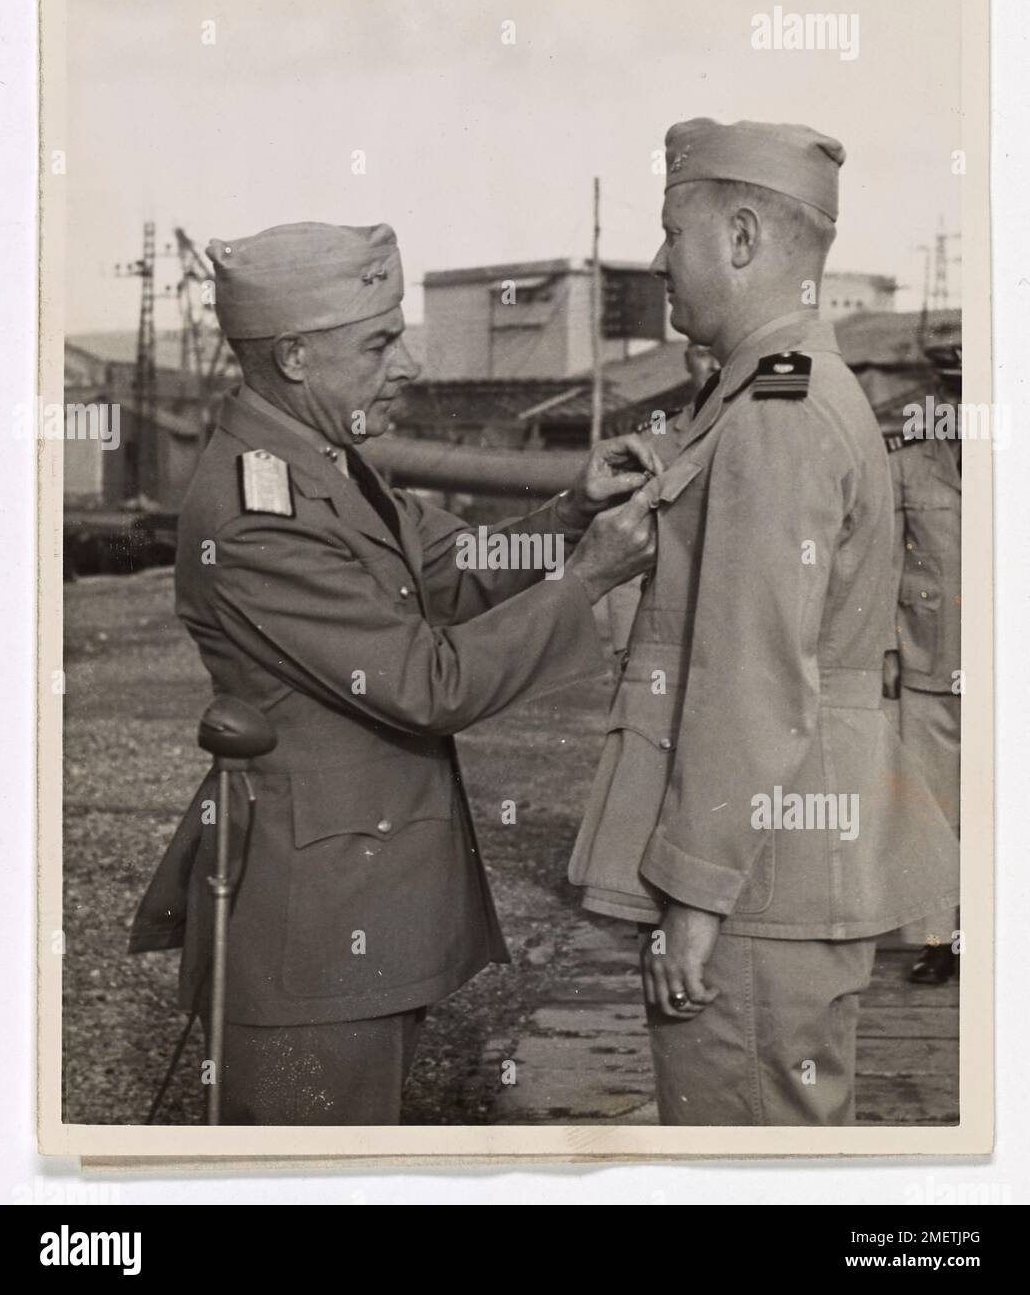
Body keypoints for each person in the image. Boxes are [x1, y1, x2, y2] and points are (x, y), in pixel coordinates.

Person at [129, 220, 659, 1124]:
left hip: (357, 895)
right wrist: (590, 580)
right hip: (315, 925)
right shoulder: (259, 511)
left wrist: (572, 513)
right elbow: (428, 683)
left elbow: (450, 575)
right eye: (378, 342)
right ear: (295, 356)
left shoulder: (325, 463)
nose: (405, 363)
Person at [569, 119, 960, 1125]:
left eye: (672, 233)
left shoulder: (773, 413)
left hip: (749, 889)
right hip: (787, 866)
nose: (658, 260)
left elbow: (753, 674)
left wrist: (694, 898)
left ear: (740, 238)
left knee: (741, 1155)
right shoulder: (779, 390)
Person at [862, 366, 962, 984]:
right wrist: (885, 647)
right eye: (953, 391)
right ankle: (938, 940)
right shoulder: (906, 466)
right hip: (928, 659)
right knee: (931, 808)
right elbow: (881, 564)